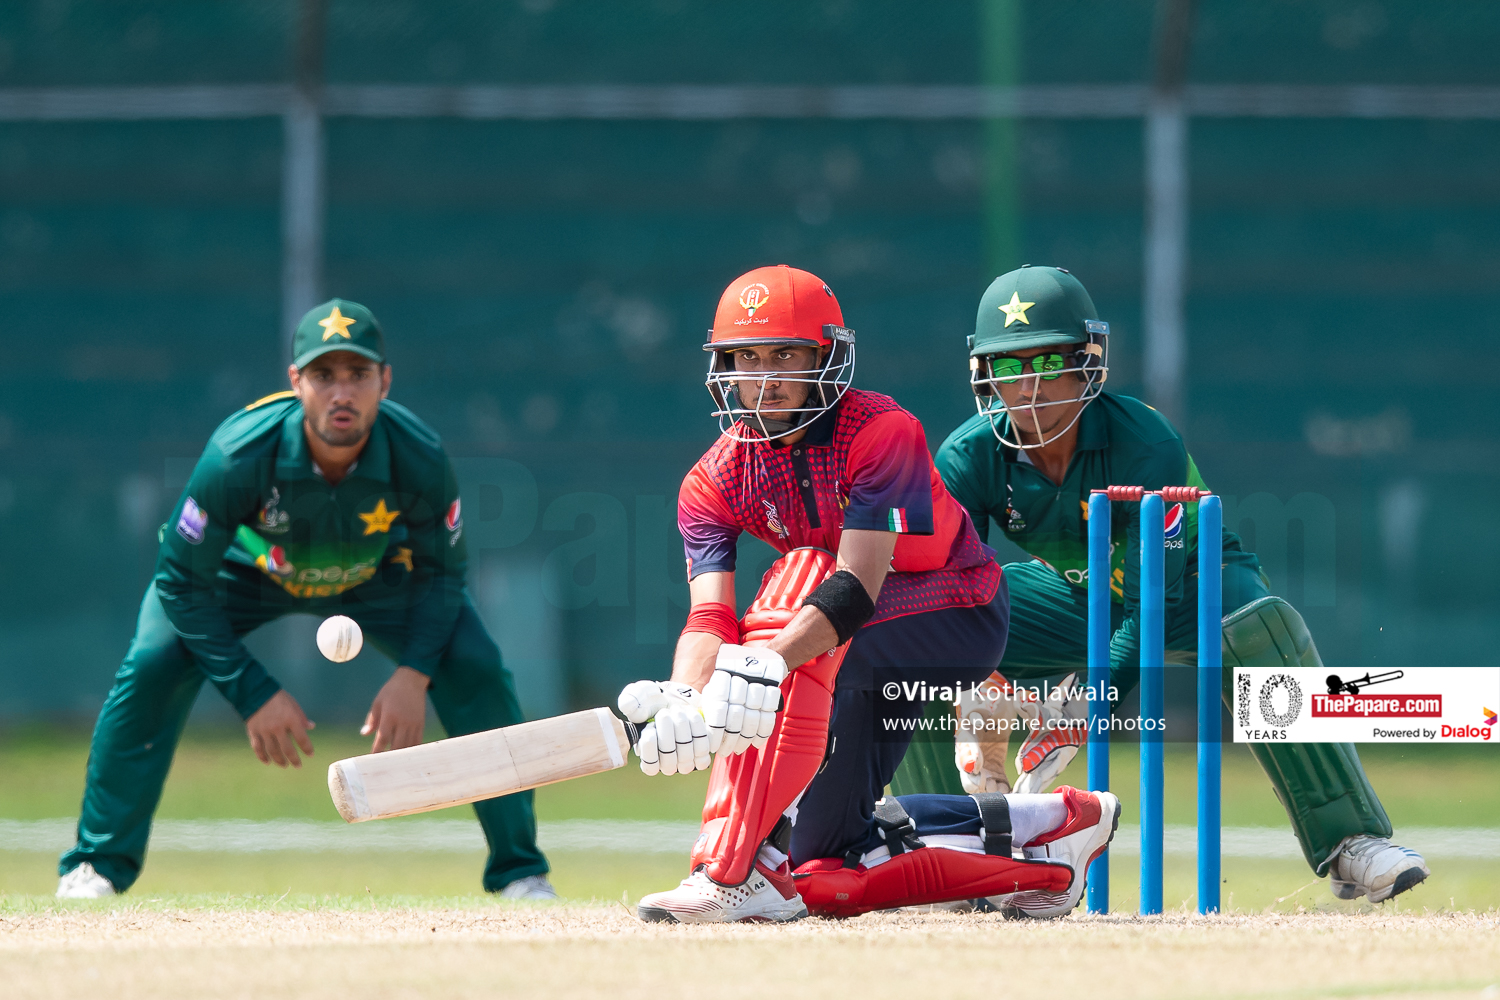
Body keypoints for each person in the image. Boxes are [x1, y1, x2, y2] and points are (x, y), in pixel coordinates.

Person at [892, 265, 1429, 905]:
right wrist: (983, 677)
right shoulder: (970, 455)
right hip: (1075, 589)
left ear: (1088, 363)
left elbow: (1151, 601)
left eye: (1050, 363)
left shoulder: (1145, 441)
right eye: (1010, 368)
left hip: (1193, 583)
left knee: (1260, 629)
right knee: (910, 631)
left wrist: (1093, 697)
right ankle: (946, 850)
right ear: (985, 376)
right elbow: (956, 586)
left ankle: (1350, 843)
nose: (1030, 389)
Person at [614, 265, 1119, 924]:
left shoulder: (880, 432)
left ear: (826, 357)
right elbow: (709, 617)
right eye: (746, 357)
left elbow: (854, 588)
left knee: (798, 577)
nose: (762, 377)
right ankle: (1055, 840)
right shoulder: (712, 479)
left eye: (785, 355)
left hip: (955, 610)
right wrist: (685, 692)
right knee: (824, 871)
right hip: (848, 642)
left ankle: (726, 867)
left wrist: (765, 664)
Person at [56, 299, 554, 900]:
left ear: (385, 381)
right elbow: (181, 581)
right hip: (246, 571)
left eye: (358, 375)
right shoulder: (239, 453)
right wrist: (253, 691)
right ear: (296, 382)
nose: (341, 393)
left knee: (471, 663)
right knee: (155, 661)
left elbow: (443, 575)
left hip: (377, 575)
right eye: (323, 376)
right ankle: (97, 867)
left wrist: (414, 674)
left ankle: (521, 871)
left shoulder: (417, 453)